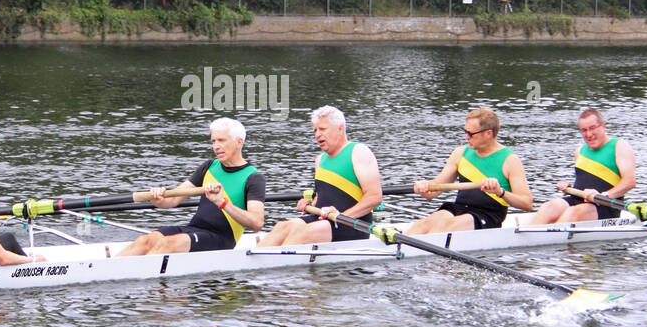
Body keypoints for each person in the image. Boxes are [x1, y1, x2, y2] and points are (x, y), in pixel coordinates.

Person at [116, 118, 266, 255]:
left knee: (169, 244)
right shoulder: (209, 167)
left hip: (221, 238)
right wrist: (158, 198)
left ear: (239, 142)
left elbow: (256, 223)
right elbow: (173, 200)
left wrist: (222, 202)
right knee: (146, 240)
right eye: (213, 141)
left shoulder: (253, 178)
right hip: (195, 229)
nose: (216, 146)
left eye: (221, 140)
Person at [258, 106, 383, 246]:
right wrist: (310, 205)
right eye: (315, 130)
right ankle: (256, 259)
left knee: (302, 232)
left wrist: (342, 217)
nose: (317, 135)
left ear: (340, 129)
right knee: (282, 226)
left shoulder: (358, 152)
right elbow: (324, 197)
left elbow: (374, 197)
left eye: (322, 129)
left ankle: (275, 261)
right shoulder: (320, 160)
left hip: (352, 225)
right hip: (323, 221)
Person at [406, 107, 533, 233]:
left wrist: (500, 192)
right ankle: (397, 248)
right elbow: (434, 191)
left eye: (471, 134)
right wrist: (424, 186)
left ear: (488, 133)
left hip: (487, 215)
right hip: (459, 208)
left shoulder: (510, 160)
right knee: (424, 224)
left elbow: (527, 204)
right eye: (465, 132)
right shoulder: (460, 153)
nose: (467, 137)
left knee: (449, 226)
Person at [529, 108, 636, 224]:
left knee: (572, 213)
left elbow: (630, 182)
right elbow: (588, 182)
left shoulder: (619, 146)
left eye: (592, 128)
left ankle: (550, 238)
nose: (589, 134)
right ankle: (527, 238)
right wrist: (569, 188)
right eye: (584, 130)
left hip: (606, 206)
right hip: (578, 200)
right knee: (548, 207)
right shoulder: (580, 151)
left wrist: (603, 195)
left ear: (603, 127)